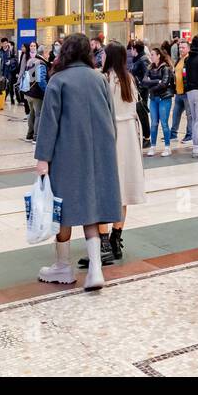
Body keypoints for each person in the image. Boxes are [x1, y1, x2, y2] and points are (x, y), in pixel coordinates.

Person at [33, 34, 123, 291]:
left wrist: (43, 159)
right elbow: (111, 118)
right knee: (90, 207)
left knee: (63, 208)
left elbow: (48, 124)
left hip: (67, 155)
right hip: (99, 153)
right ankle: (95, 269)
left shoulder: (58, 80)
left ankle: (63, 266)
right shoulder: (99, 79)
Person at [78, 42, 147, 268]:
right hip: (129, 135)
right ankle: (117, 241)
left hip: (110, 135)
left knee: (103, 189)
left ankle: (104, 245)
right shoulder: (128, 79)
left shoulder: (104, 79)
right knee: (124, 190)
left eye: (104, 54)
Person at [144, 45, 175, 156]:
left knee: (164, 123)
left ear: (158, 56)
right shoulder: (150, 67)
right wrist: (156, 81)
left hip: (164, 98)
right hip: (153, 99)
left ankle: (167, 147)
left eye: (152, 55)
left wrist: (151, 86)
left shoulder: (165, 68)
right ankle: (153, 146)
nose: (150, 56)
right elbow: (144, 81)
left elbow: (164, 84)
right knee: (154, 123)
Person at [22, 47, 50, 142]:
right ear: (45, 53)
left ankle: (29, 134)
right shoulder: (41, 63)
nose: (49, 55)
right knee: (38, 114)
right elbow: (41, 80)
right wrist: (47, 91)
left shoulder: (31, 60)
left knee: (32, 113)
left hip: (28, 92)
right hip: (36, 93)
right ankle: (36, 136)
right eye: (48, 53)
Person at [169, 45, 193, 145]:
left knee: (189, 115)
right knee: (175, 114)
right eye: (180, 48)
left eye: (183, 47)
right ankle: (173, 135)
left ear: (188, 49)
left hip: (187, 92)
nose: (181, 49)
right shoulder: (179, 59)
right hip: (179, 92)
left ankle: (190, 135)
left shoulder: (189, 60)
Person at [0, 39, 20, 106]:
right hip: (3, 71)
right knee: (3, 86)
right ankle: (2, 99)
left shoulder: (11, 50)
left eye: (6, 43)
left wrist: (10, 62)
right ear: (1, 44)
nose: (5, 44)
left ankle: (12, 100)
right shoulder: (0, 51)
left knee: (10, 85)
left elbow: (15, 59)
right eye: (4, 43)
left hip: (10, 71)